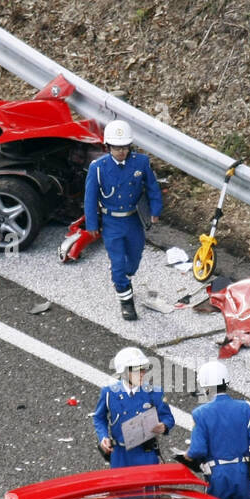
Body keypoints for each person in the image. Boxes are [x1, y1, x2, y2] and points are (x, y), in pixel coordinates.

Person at [83, 120, 163, 321]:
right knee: (117, 262)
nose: (121, 152)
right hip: (111, 223)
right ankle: (125, 300)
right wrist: (92, 224)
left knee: (134, 258)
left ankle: (124, 278)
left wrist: (155, 210)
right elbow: (90, 197)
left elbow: (152, 188)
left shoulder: (141, 162)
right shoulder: (98, 168)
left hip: (133, 220)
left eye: (125, 147)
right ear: (108, 147)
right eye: (117, 148)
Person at [185, 361, 250, 499]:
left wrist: (186, 456)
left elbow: (198, 450)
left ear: (206, 387)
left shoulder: (200, 413)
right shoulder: (246, 407)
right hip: (242, 472)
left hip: (217, 475)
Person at [93, 347, 174, 467]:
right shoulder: (109, 393)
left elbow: (168, 417)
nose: (142, 373)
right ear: (124, 372)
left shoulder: (154, 392)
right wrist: (103, 437)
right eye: (136, 370)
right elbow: (99, 418)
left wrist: (164, 426)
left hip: (146, 454)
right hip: (120, 455)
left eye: (143, 369)